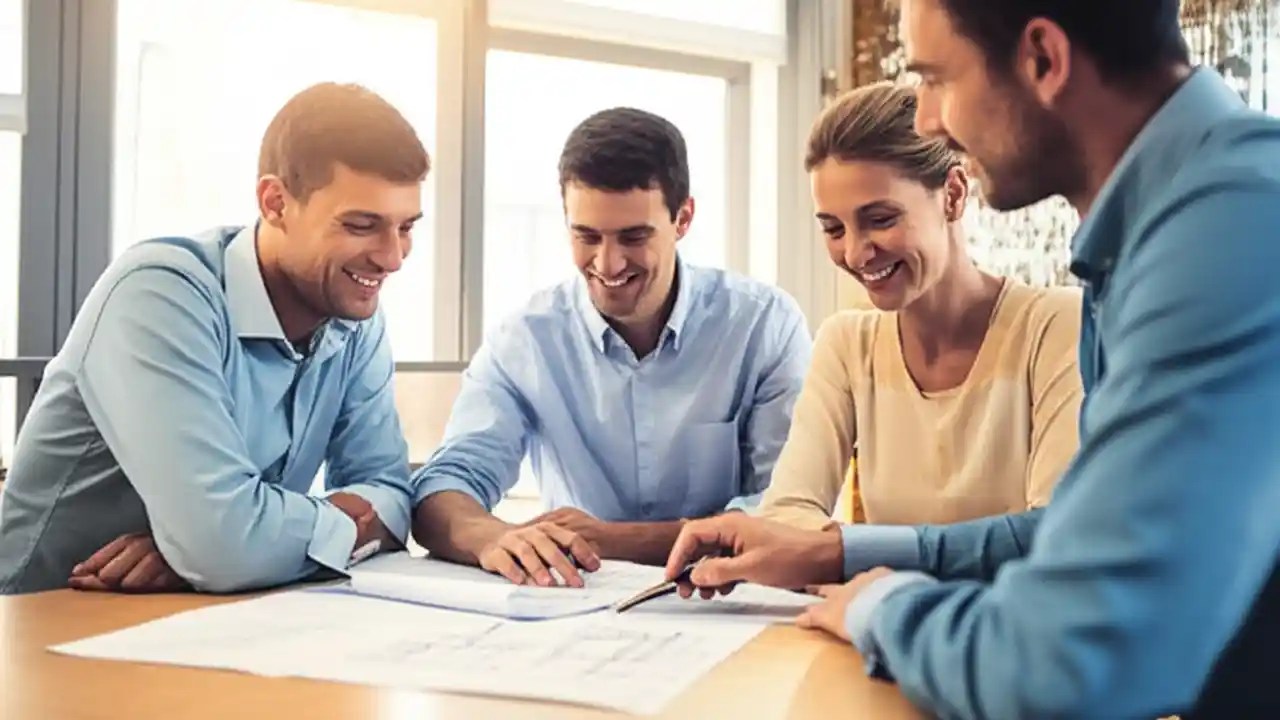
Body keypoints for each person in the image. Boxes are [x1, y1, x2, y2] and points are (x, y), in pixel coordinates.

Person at [663, 0, 1280, 716]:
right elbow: (1073, 533)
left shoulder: (1231, 229)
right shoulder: (1159, 232)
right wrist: (843, 555)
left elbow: (1070, 659)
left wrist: (882, 605)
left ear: (1043, 59)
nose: (928, 120)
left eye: (936, 78)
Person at [0, 83, 429, 594]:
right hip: (39, 626)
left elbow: (392, 497)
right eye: (362, 225)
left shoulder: (355, 321)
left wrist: (227, 540)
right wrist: (227, 541)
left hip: (201, 622)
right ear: (276, 203)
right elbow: (225, 549)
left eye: (406, 227)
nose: (393, 258)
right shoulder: (161, 294)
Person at [411, 107, 811, 588]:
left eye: (633, 236)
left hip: (728, 601)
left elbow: (785, 512)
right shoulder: (525, 340)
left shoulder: (764, 324)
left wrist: (614, 540)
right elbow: (445, 484)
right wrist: (492, 537)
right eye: (586, 236)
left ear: (682, 218)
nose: (608, 262)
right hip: (575, 605)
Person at [758, 82, 1082, 531]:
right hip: (882, 600)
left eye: (880, 220)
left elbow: (1053, 534)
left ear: (952, 195)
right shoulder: (847, 345)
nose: (855, 253)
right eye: (833, 229)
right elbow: (786, 516)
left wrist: (850, 560)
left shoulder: (1055, 328)